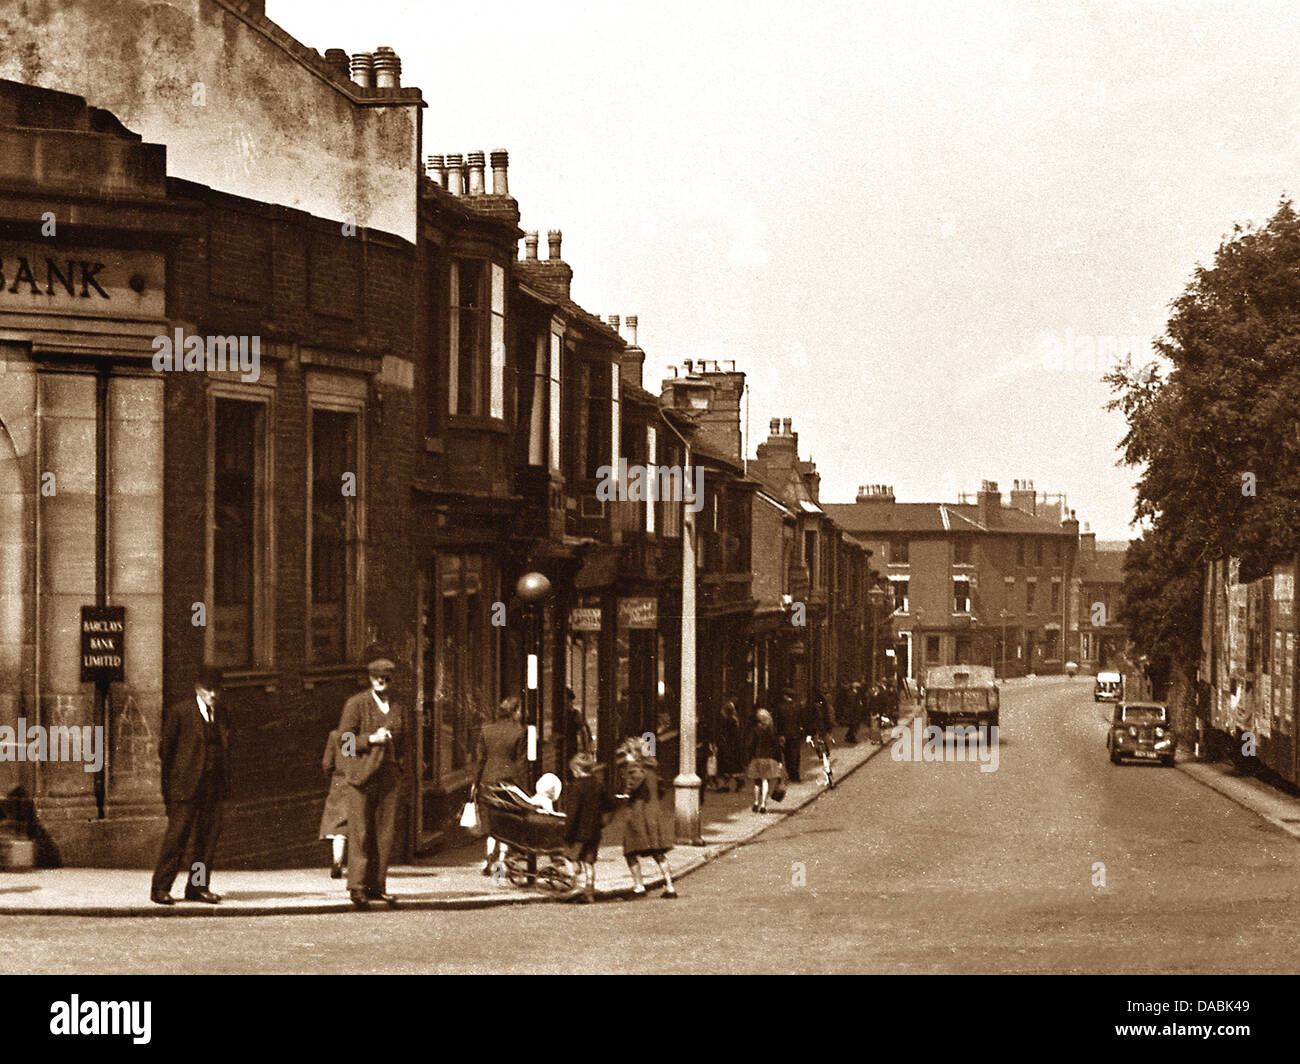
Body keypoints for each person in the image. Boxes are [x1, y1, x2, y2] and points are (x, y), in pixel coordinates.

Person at [151, 665, 231, 905]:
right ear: (198, 689)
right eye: (208, 690)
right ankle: (160, 888)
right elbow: (166, 750)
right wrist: (176, 780)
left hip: (213, 785)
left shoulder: (223, 712)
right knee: (177, 838)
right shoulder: (181, 712)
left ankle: (197, 887)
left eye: (216, 689)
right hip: (186, 787)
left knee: (206, 839)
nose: (213, 695)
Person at [337, 658, 406, 909]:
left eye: (386, 678)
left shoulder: (398, 706)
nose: (381, 682)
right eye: (377, 677)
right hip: (362, 778)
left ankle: (378, 886)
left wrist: (400, 766)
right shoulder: (356, 704)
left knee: (384, 834)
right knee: (361, 833)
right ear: (370, 678)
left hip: (388, 778)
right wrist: (370, 739)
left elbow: (404, 740)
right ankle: (357, 887)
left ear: (391, 680)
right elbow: (343, 742)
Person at [617, 738, 677, 899]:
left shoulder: (635, 768)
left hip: (638, 815)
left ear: (634, 753)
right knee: (658, 853)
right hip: (654, 814)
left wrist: (626, 793)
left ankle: (639, 886)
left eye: (628, 752)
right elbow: (662, 790)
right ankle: (670, 886)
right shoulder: (653, 768)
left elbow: (635, 781)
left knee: (630, 852)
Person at [476, 696, 526, 874]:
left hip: (487, 779)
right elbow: (520, 763)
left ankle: (489, 856)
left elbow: (481, 760)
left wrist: (475, 783)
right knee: (505, 821)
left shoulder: (486, 729)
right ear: (515, 711)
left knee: (490, 821)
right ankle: (502, 862)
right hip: (508, 780)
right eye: (520, 710)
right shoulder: (519, 731)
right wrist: (523, 789)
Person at [563, 751, 612, 903]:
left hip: (578, 832)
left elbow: (573, 812)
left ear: (576, 769)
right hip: (594, 831)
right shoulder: (598, 784)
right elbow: (608, 805)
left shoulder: (575, 787)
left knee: (569, 857)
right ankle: (589, 890)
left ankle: (575, 885)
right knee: (589, 862)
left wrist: (567, 832)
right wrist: (603, 822)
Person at [319, 728, 349, 879]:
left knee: (338, 826)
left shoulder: (335, 735)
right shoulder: (362, 735)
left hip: (339, 782)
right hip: (359, 781)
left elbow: (327, 763)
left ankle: (337, 861)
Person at [745, 708, 784, 814]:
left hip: (757, 759)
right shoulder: (772, 730)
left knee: (757, 782)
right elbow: (777, 746)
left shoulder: (755, 730)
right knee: (765, 781)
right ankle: (763, 804)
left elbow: (750, 745)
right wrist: (779, 760)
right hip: (769, 759)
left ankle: (756, 802)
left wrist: (749, 758)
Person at [776, 687, 805, 782]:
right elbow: (801, 720)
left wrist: (779, 734)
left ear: (785, 696)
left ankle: (790, 774)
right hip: (796, 733)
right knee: (796, 755)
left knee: (787, 755)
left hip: (785, 735)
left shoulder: (780, 707)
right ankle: (796, 775)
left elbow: (779, 722)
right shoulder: (797, 706)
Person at [808, 688, 835, 788]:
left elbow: (811, 724)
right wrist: (829, 732)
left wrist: (810, 735)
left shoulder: (813, 711)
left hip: (818, 735)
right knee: (825, 754)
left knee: (823, 754)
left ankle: (828, 774)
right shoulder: (825, 710)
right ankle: (828, 772)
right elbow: (829, 722)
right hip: (823, 734)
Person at [716, 700, 743, 791]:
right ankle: (735, 782)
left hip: (727, 747)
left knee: (726, 767)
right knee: (729, 768)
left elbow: (725, 734)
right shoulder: (735, 719)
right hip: (733, 747)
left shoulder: (728, 721)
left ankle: (726, 785)